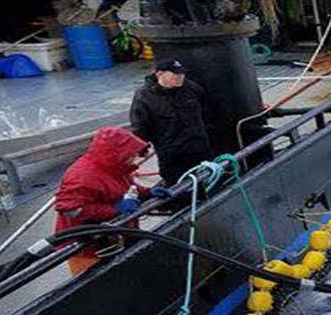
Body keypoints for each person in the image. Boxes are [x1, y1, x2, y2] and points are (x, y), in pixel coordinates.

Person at [54, 126, 171, 275]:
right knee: (95, 286)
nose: (134, 158)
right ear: (115, 154)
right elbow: (70, 209)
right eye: (130, 155)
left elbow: (127, 188)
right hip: (87, 245)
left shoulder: (116, 167)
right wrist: (115, 210)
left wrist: (147, 193)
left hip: (113, 235)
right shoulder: (81, 176)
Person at [129, 58, 214, 186]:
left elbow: (206, 111)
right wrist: (141, 148)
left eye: (182, 73)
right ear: (160, 74)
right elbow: (140, 126)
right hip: (173, 155)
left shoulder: (191, 89)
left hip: (199, 148)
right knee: (178, 187)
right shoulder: (144, 97)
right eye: (175, 74)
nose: (180, 77)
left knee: (207, 182)